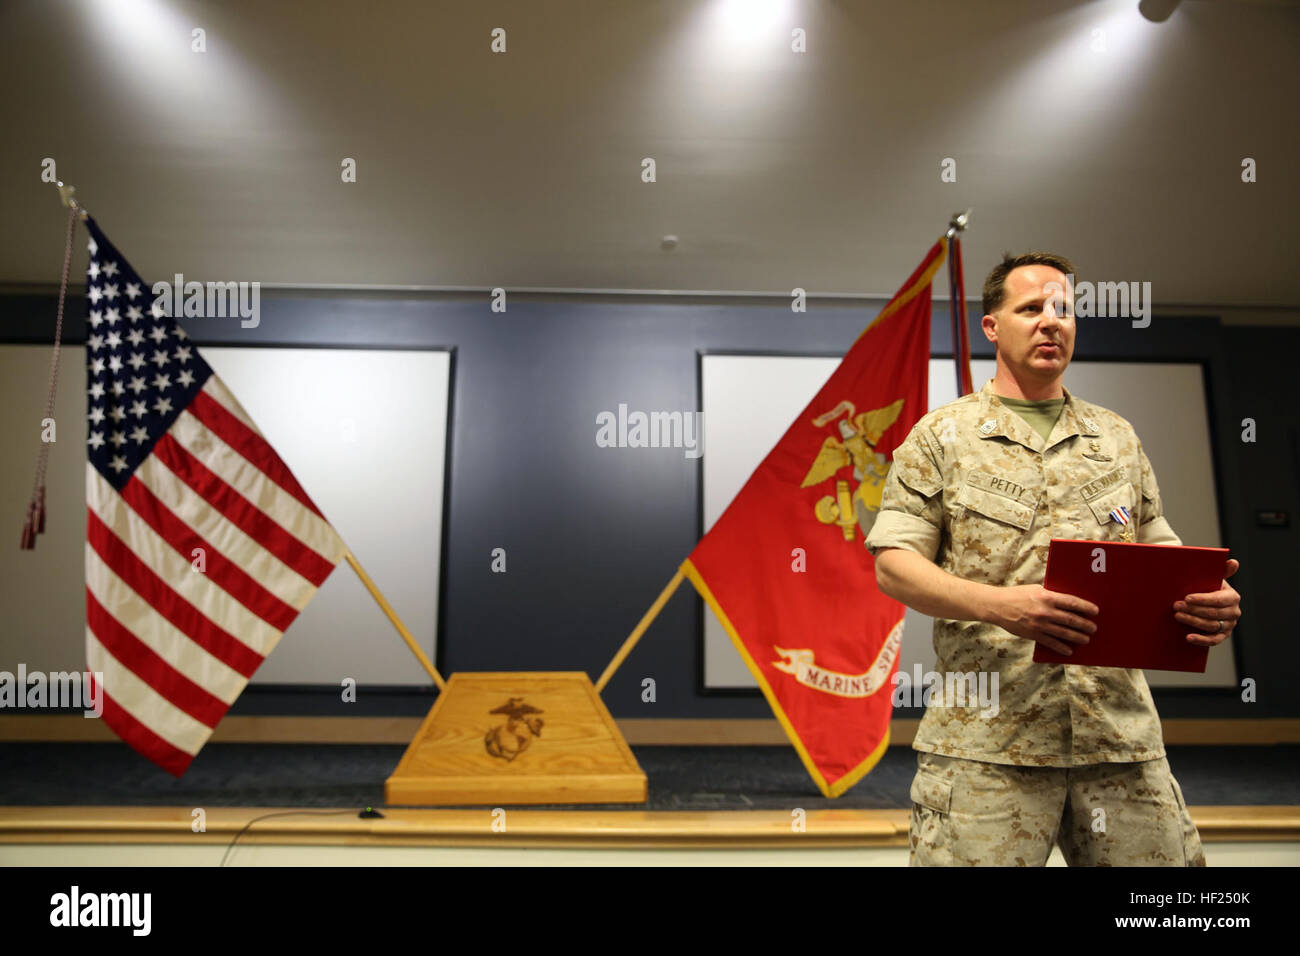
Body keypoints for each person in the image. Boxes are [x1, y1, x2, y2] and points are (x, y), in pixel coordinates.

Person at [863, 252, 1242, 866]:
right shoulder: (942, 437)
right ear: (992, 327)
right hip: (988, 745)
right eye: (1031, 308)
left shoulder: (1116, 438)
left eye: (1063, 309)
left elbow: (1158, 545)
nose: (1051, 322)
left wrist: (1203, 598)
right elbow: (893, 563)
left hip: (1118, 738)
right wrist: (1002, 606)